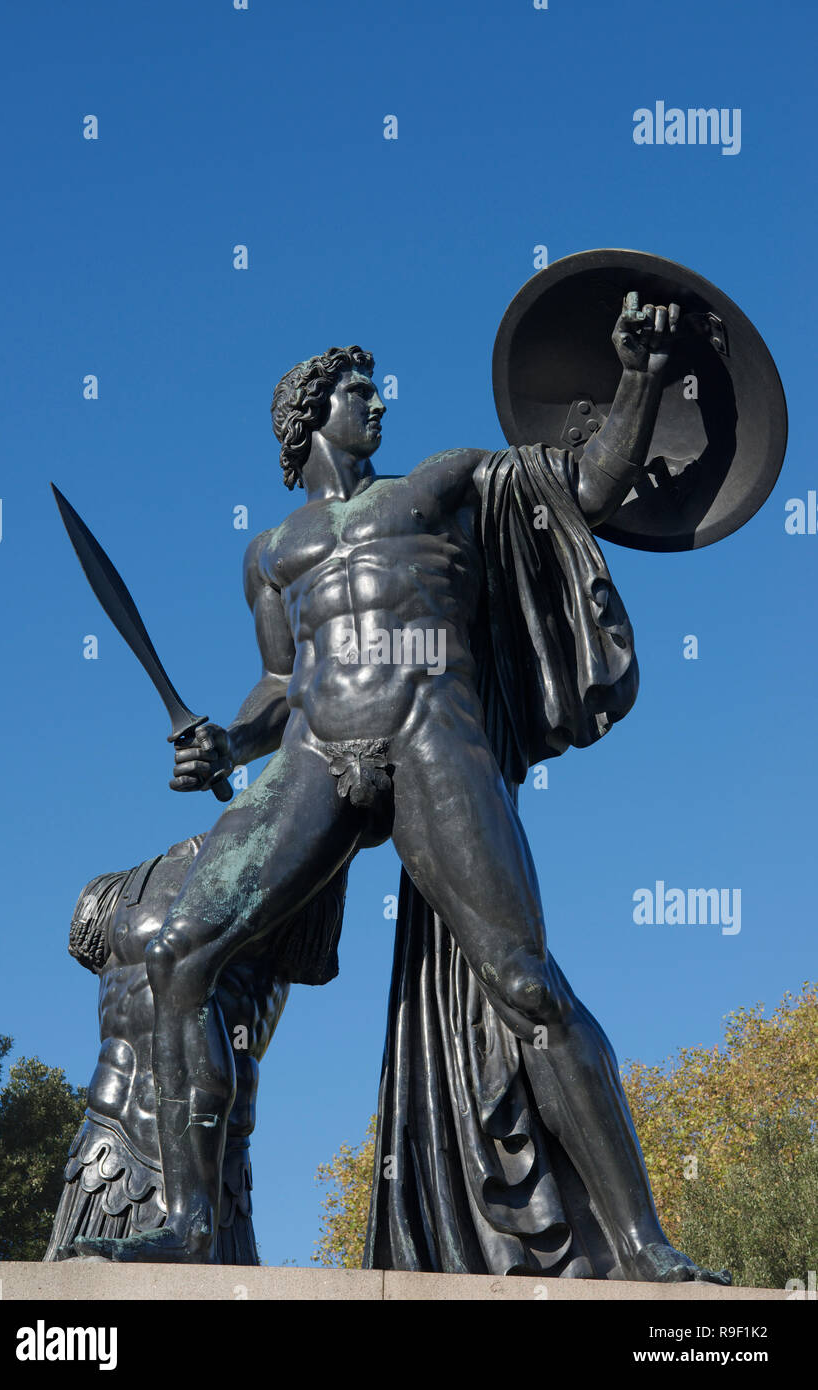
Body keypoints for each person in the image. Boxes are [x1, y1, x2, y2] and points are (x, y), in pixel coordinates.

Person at [72, 294, 727, 1281]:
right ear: (310, 418)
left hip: (431, 732)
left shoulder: (441, 484)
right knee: (176, 956)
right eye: (357, 390)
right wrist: (225, 741)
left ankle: (641, 1243)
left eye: (374, 387)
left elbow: (590, 486)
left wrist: (636, 373)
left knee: (526, 983)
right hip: (315, 754)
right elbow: (277, 684)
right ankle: (191, 1221)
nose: (378, 401)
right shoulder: (270, 553)